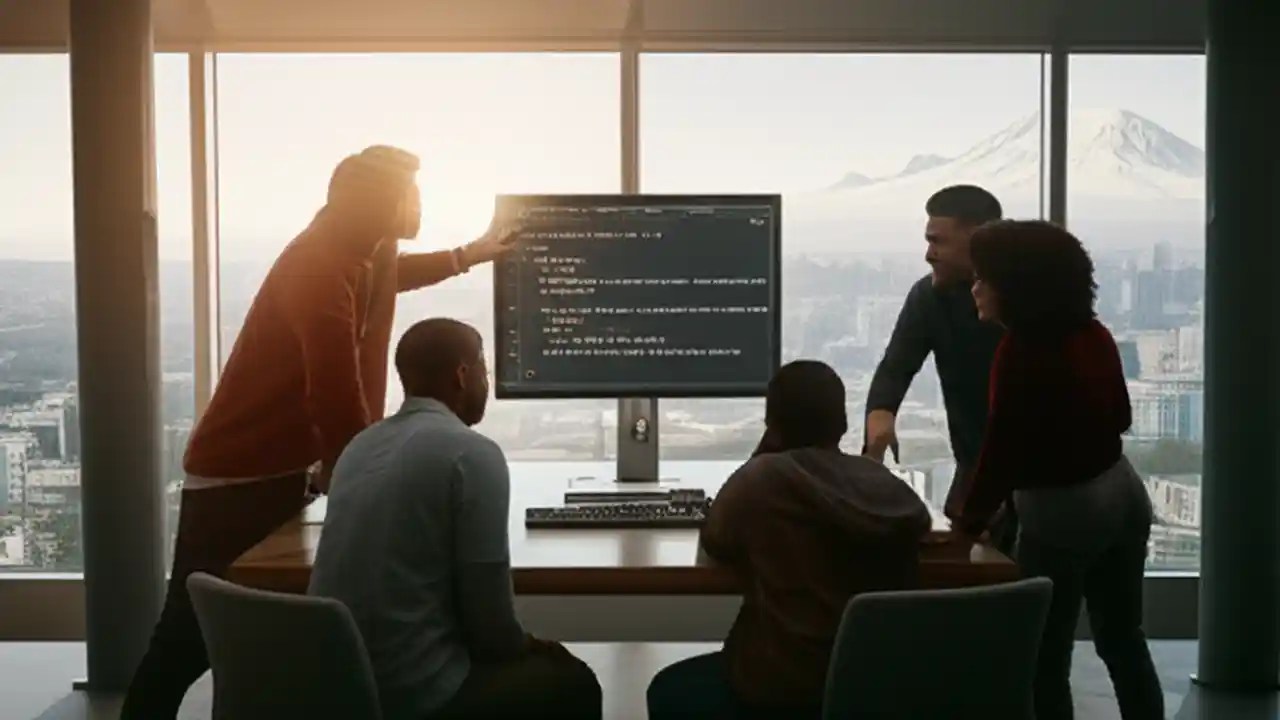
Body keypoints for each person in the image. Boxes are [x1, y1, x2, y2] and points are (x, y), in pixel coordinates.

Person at [121, 146, 520, 719]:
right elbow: (331, 395)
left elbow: (391, 276)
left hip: (286, 464)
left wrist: (466, 256)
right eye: (410, 193)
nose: (419, 203)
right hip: (239, 469)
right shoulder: (317, 270)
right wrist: (372, 478)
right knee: (185, 637)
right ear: (381, 205)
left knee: (269, 617)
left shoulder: (364, 249)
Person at [309, 318, 601, 720]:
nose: (486, 382)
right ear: (462, 375)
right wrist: (531, 645)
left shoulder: (361, 446)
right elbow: (491, 627)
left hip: (335, 691)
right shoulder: (471, 453)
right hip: (415, 696)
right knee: (574, 681)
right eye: (483, 369)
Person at [956, 220, 1163, 720]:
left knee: (1045, 657)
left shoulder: (1019, 353)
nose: (975, 286)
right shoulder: (1095, 334)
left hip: (1063, 512)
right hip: (1123, 492)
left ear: (1017, 286)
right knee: (1123, 640)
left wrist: (969, 518)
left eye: (985, 277)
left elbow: (1001, 450)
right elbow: (1122, 417)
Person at [648, 360, 933, 720]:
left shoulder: (762, 480)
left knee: (669, 689)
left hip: (780, 689)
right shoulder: (888, 487)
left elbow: (710, 551)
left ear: (772, 425)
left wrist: (764, 451)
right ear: (843, 424)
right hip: (874, 688)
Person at [862, 184, 1013, 551]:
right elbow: (895, 366)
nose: (928, 255)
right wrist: (880, 416)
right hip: (976, 470)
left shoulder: (1026, 303)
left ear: (979, 242)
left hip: (1037, 484)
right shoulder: (930, 296)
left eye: (938, 242)